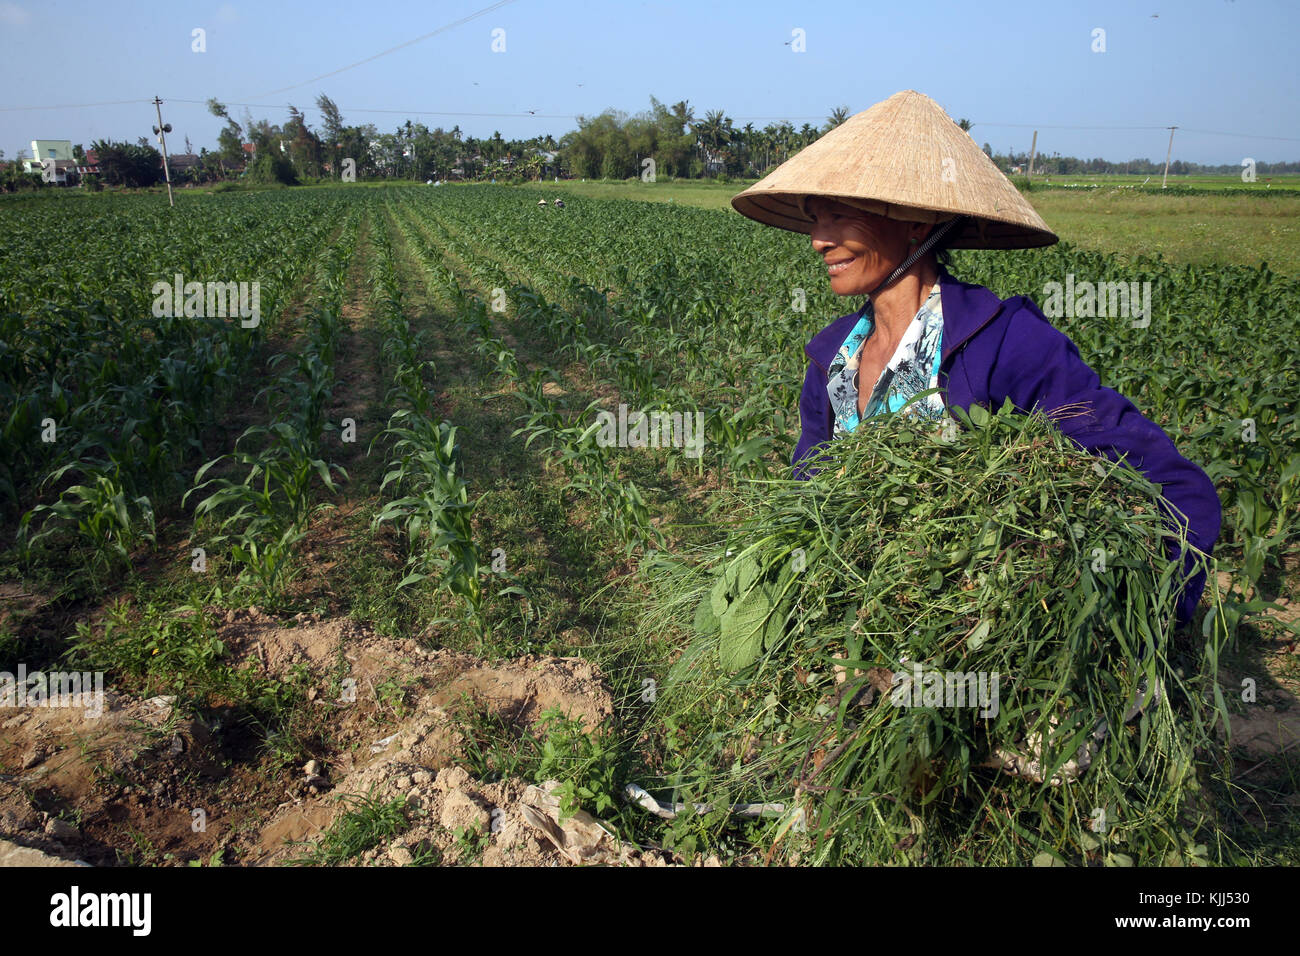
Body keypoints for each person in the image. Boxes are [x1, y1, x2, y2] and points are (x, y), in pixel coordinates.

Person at [731, 90, 1220, 629]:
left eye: (840, 215)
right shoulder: (833, 358)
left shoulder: (1005, 342)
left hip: (974, 641)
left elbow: (1167, 482)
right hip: (856, 640)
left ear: (917, 221)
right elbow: (810, 489)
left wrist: (1147, 622)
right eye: (813, 218)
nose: (819, 241)